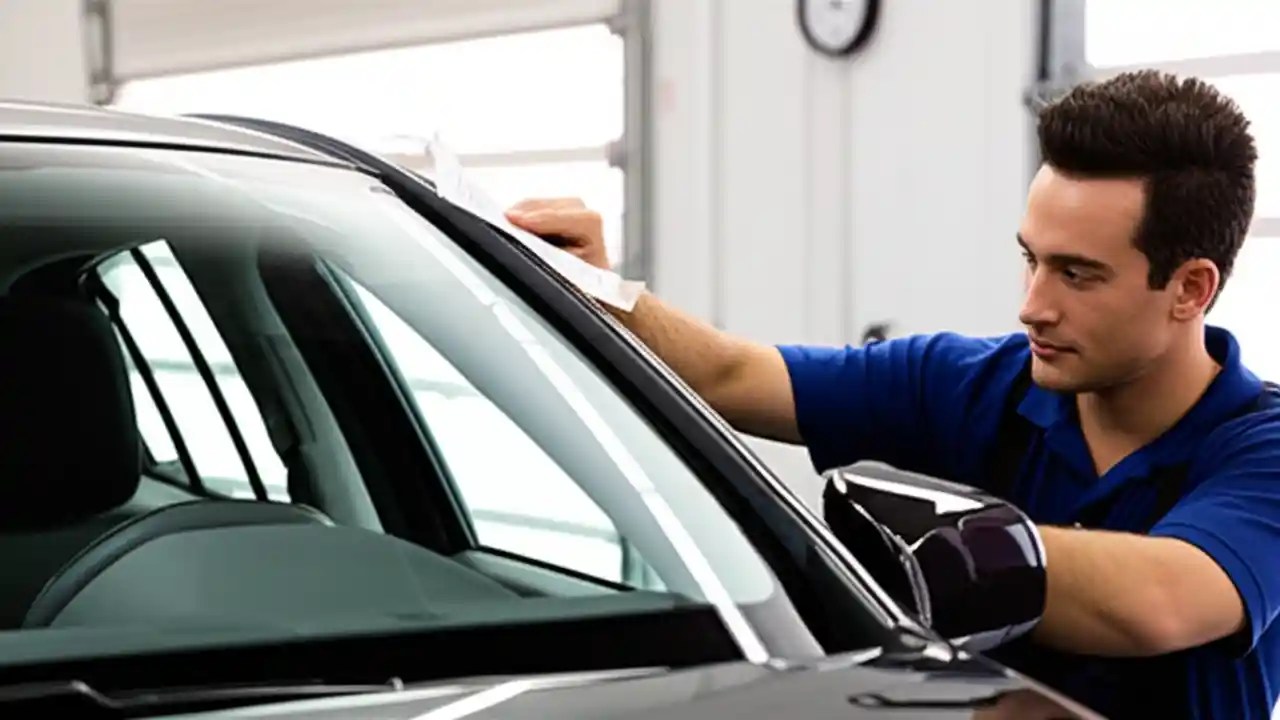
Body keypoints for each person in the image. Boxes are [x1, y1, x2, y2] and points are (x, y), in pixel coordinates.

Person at [506, 70, 1280, 719]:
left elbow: (1160, 601)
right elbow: (726, 377)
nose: (1033, 304)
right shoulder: (961, 382)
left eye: (1077, 274)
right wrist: (592, 286)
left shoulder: (1263, 450)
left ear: (1189, 288)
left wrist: (948, 552)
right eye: (1030, 260)